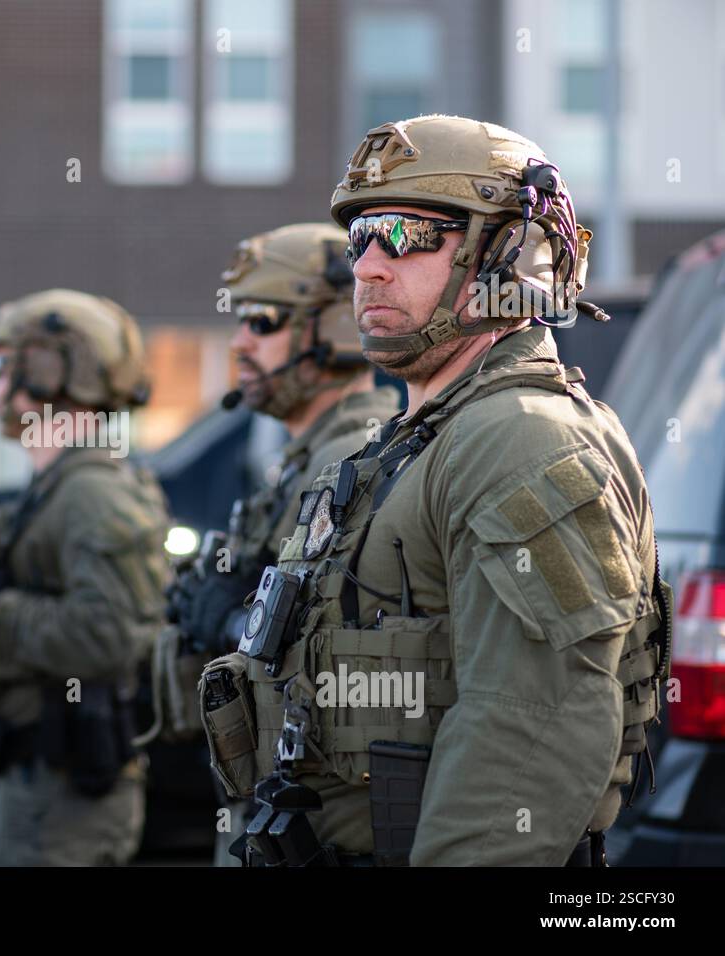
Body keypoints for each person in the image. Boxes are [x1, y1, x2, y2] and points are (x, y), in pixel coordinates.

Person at [203, 114, 669, 866]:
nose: (367, 267)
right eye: (359, 238)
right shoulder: (412, 442)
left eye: (406, 233)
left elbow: (533, 726)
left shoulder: (522, 439)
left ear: (510, 253)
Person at [141, 223, 399, 866]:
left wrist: (232, 617)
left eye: (262, 320)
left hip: (313, 804)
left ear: (334, 331)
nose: (239, 342)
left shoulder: (351, 458)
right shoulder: (304, 459)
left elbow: (335, 650)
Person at [0, 289, 170, 866]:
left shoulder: (93, 495)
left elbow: (108, 635)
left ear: (50, 372)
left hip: (64, 795)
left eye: (1, 369)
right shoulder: (53, 489)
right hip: (30, 781)